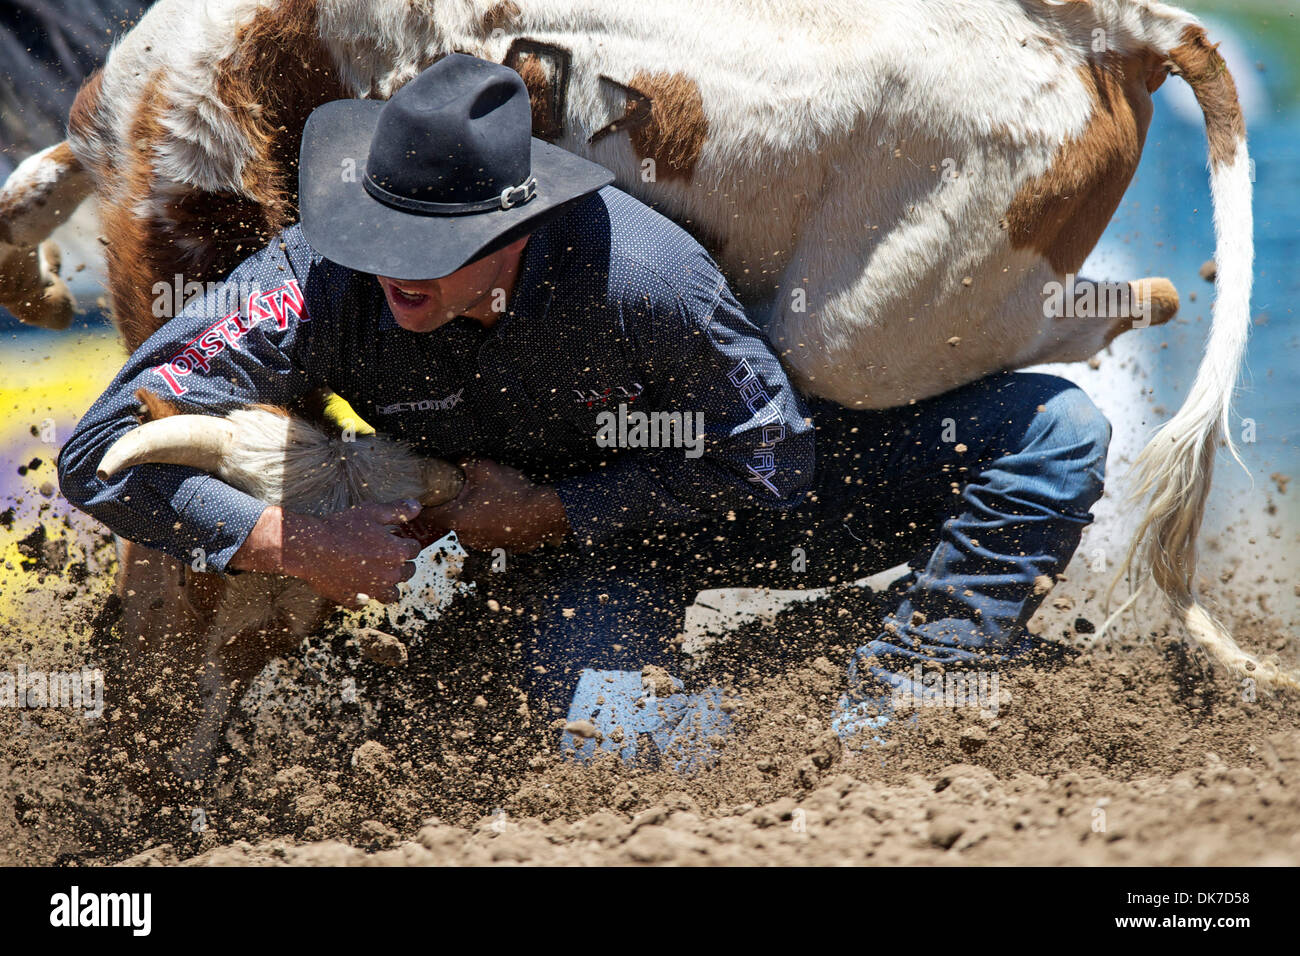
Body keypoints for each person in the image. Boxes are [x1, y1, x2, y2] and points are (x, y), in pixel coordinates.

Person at [58, 54, 1111, 767]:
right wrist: (291, 539)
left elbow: (775, 462)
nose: (395, 272)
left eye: (432, 249)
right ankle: (784, 706)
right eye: (379, 234)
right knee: (613, 739)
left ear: (517, 226)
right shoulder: (312, 275)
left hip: (727, 493)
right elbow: (97, 452)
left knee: (1054, 427)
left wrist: (561, 506)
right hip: (587, 562)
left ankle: (915, 684)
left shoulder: (648, 281)